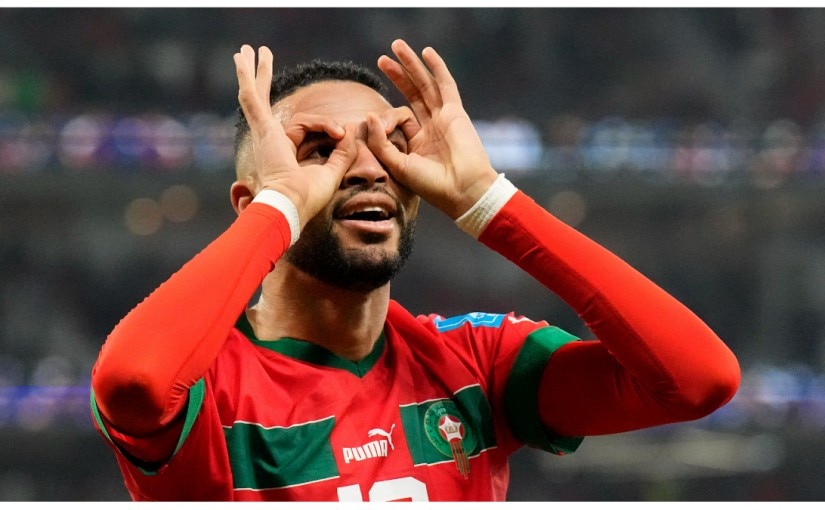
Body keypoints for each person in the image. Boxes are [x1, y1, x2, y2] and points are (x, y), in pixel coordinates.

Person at [90, 39, 740, 502]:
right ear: (255, 201)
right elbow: (133, 383)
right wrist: (282, 205)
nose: (367, 167)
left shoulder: (477, 363)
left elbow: (696, 381)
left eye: (390, 147)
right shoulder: (208, 382)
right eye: (319, 150)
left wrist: (489, 200)